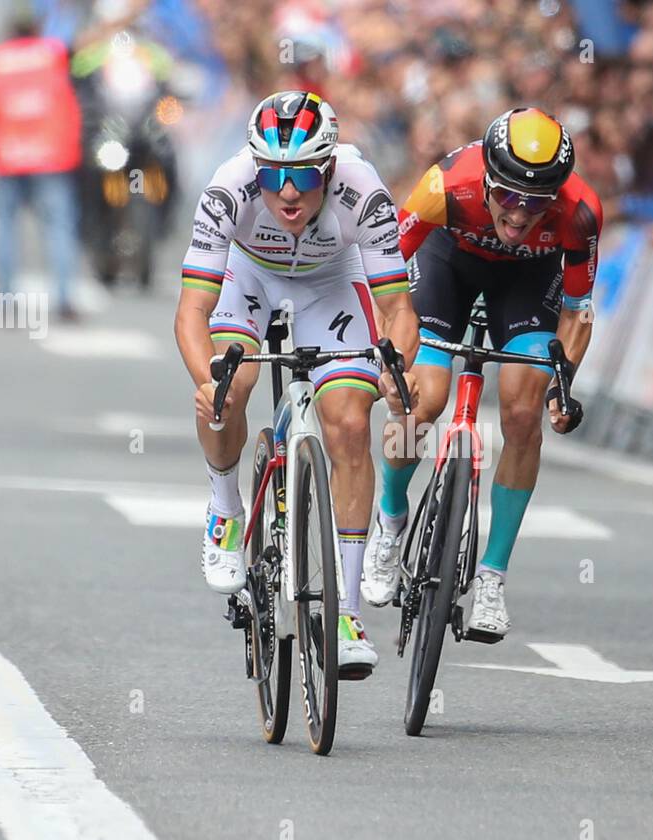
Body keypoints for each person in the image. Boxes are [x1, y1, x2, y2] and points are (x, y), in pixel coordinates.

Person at [174, 90, 419, 678]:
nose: (287, 191)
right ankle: (225, 507)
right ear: (255, 166)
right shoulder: (228, 189)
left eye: (305, 176)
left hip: (333, 282)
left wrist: (396, 368)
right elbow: (190, 314)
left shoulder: (363, 190)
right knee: (229, 387)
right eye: (273, 175)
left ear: (330, 167)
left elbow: (398, 310)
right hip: (250, 277)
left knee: (351, 423)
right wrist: (207, 380)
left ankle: (348, 612)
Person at [360, 107, 598, 639]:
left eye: (536, 204)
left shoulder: (580, 212)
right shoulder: (443, 186)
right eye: (508, 196)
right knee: (422, 400)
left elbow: (578, 311)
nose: (518, 215)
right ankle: (390, 519)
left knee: (522, 410)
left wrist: (564, 385)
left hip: (528, 282)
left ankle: (492, 578)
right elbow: (385, 275)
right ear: (486, 180)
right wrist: (385, 351)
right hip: (448, 265)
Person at [0, 14, 83, 320]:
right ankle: (63, 297)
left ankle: (6, 301)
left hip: (6, 157)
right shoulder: (53, 53)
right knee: (59, 227)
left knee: (5, 229)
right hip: (50, 157)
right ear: (36, 31)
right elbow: (90, 41)